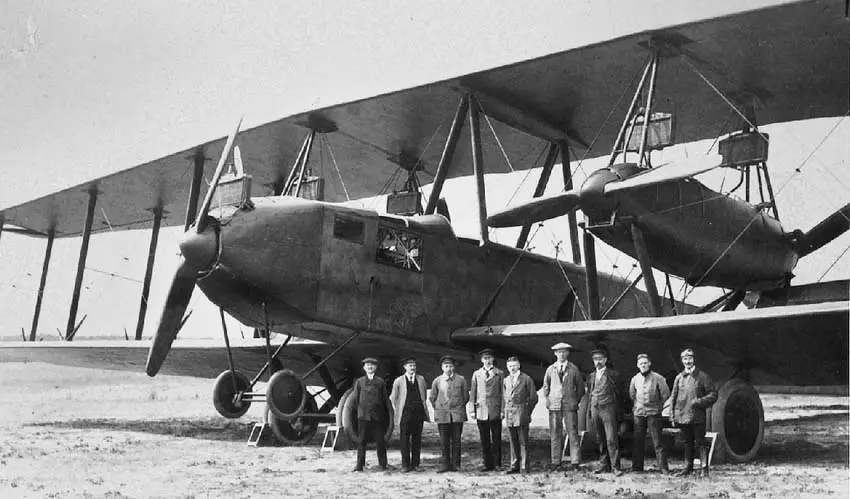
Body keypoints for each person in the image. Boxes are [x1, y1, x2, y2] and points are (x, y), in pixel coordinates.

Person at [669, 348, 717, 478]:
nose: (687, 361)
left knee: (700, 442)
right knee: (687, 442)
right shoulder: (679, 378)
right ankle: (687, 468)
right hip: (683, 416)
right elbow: (673, 397)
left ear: (693, 360)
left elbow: (713, 394)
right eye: (685, 359)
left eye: (690, 358)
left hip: (697, 416)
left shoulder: (703, 376)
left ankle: (704, 469)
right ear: (682, 361)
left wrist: (699, 401)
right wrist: (673, 416)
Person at [542, 342, 585, 472]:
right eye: (559, 352)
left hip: (569, 406)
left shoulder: (573, 369)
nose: (562, 354)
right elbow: (546, 386)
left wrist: (574, 400)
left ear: (568, 353)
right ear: (555, 353)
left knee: (572, 433)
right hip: (554, 406)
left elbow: (580, 388)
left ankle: (575, 462)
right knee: (555, 433)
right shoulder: (550, 369)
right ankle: (555, 462)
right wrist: (550, 399)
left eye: (564, 351)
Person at [629, 353, 670, 473]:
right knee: (638, 441)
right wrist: (638, 406)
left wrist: (658, 406)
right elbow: (632, 395)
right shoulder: (635, 379)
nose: (643, 365)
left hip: (654, 413)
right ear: (638, 365)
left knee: (658, 442)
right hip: (639, 413)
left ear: (649, 364)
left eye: (645, 363)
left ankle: (663, 468)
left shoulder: (658, 378)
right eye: (641, 363)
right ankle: (637, 468)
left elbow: (665, 394)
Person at [429, 355, 469, 472]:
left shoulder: (461, 379)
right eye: (446, 366)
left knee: (456, 440)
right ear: (442, 367)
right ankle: (445, 464)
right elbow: (432, 397)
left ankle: (456, 464)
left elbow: (465, 396)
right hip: (443, 415)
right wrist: (440, 408)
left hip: (457, 415)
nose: (449, 368)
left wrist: (457, 406)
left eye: (451, 366)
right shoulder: (437, 381)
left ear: (454, 367)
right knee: (444, 441)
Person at [350, 357, 391, 472]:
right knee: (361, 441)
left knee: (380, 441)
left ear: (376, 368)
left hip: (377, 416)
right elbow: (357, 399)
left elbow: (384, 399)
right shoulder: (359, 382)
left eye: (372, 365)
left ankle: (383, 464)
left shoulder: (380, 382)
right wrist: (363, 410)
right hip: (363, 416)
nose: (370, 367)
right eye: (367, 365)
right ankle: (359, 465)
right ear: (364, 368)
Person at [587, 348, 622, 476]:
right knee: (600, 438)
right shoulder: (591, 376)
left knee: (611, 437)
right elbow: (589, 393)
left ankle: (615, 467)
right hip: (595, 408)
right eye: (595, 360)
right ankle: (603, 464)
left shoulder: (613, 375)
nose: (598, 362)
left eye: (600, 359)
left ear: (605, 360)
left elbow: (619, 393)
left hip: (608, 408)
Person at [390, 357, 429, 472]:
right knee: (404, 440)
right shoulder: (398, 381)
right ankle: (405, 465)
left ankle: (416, 464)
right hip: (405, 414)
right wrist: (402, 407)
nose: (412, 368)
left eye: (414, 366)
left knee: (417, 440)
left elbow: (424, 395)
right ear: (405, 367)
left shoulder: (421, 379)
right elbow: (394, 397)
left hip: (418, 414)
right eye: (410, 366)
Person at [470, 348, 505, 472]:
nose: (487, 361)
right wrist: (472, 410)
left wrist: (502, 410)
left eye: (489, 358)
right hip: (481, 410)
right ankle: (487, 463)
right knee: (484, 439)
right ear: (481, 360)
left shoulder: (499, 373)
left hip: (495, 409)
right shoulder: (477, 374)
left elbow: (503, 393)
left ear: (493, 359)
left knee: (496, 438)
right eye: (485, 359)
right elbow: (473, 392)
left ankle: (497, 463)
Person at [503, 356, 538, 474]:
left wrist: (527, 411)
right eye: (510, 366)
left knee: (523, 441)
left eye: (514, 366)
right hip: (510, 414)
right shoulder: (506, 380)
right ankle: (514, 465)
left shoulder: (526, 379)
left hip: (521, 413)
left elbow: (533, 398)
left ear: (518, 366)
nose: (512, 368)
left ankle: (524, 466)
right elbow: (505, 396)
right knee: (513, 441)